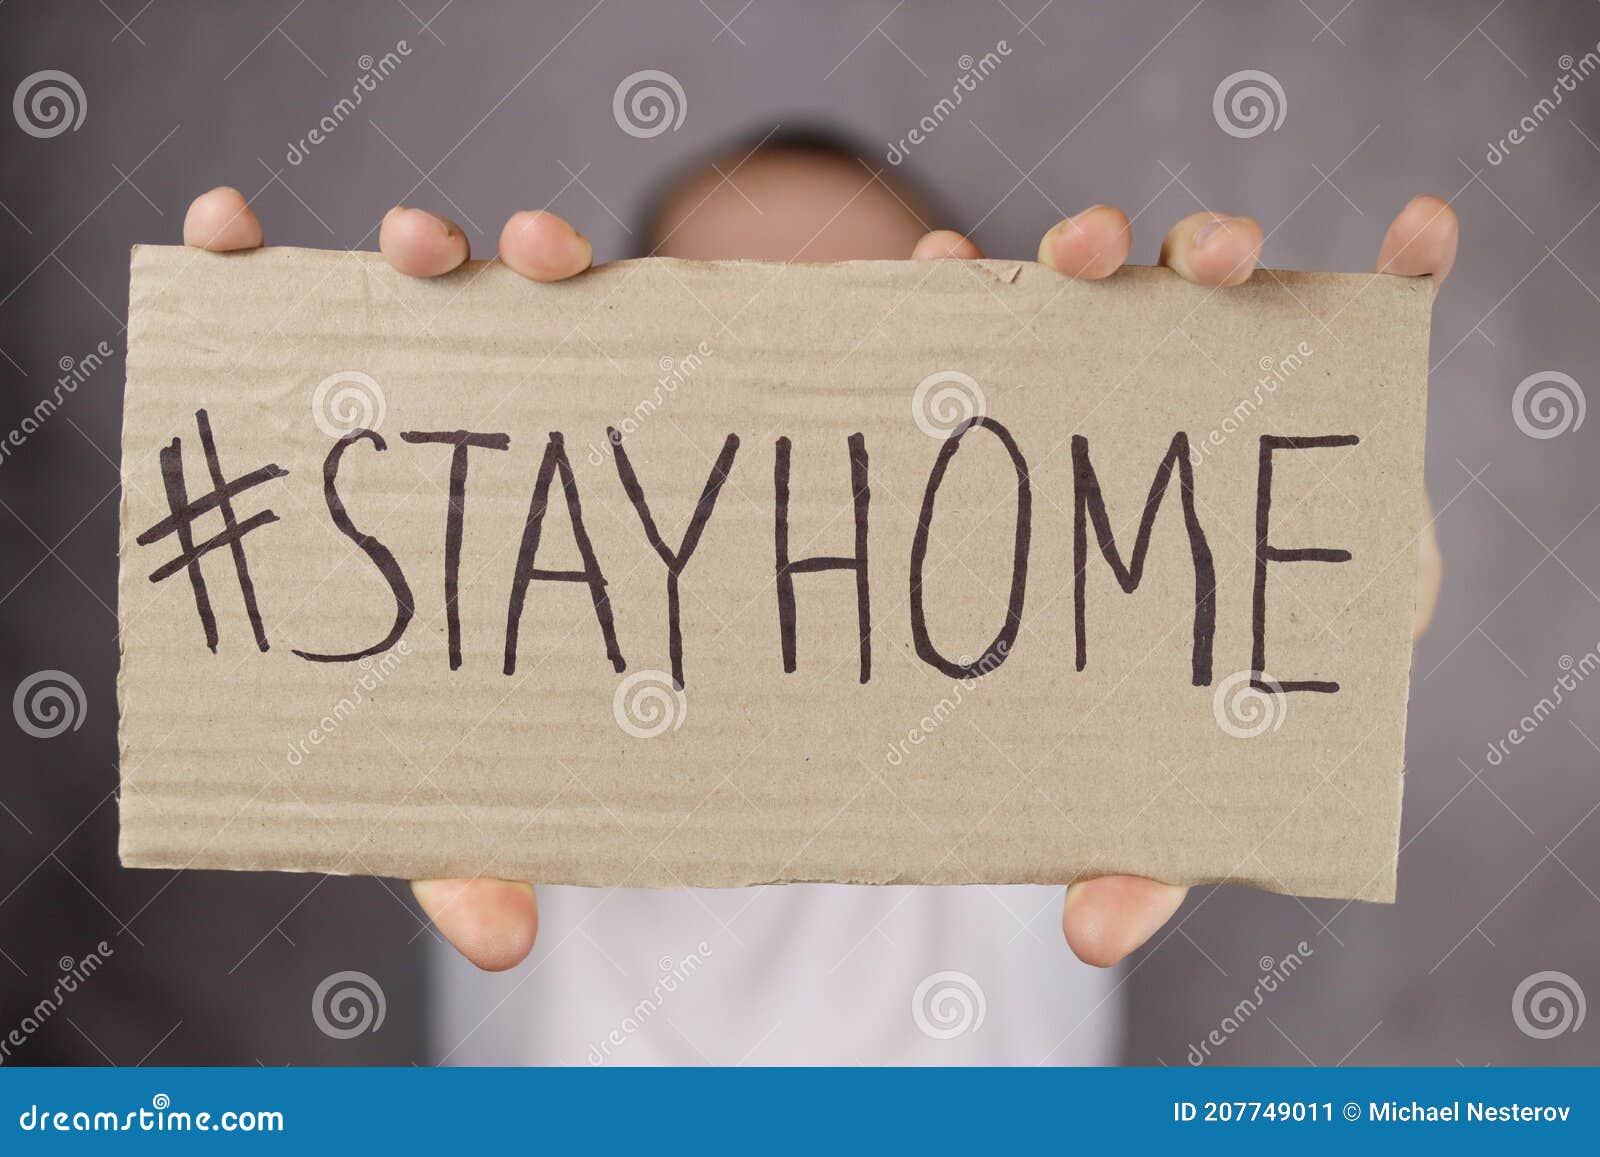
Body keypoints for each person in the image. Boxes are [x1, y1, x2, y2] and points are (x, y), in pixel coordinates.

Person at [176, 129, 1456, 1063]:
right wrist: (260, 397)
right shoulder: (504, 683)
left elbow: (1200, 607)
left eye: (855, 346)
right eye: (727, 346)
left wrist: (1302, 550)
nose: (784, 433)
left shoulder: (1065, 692)